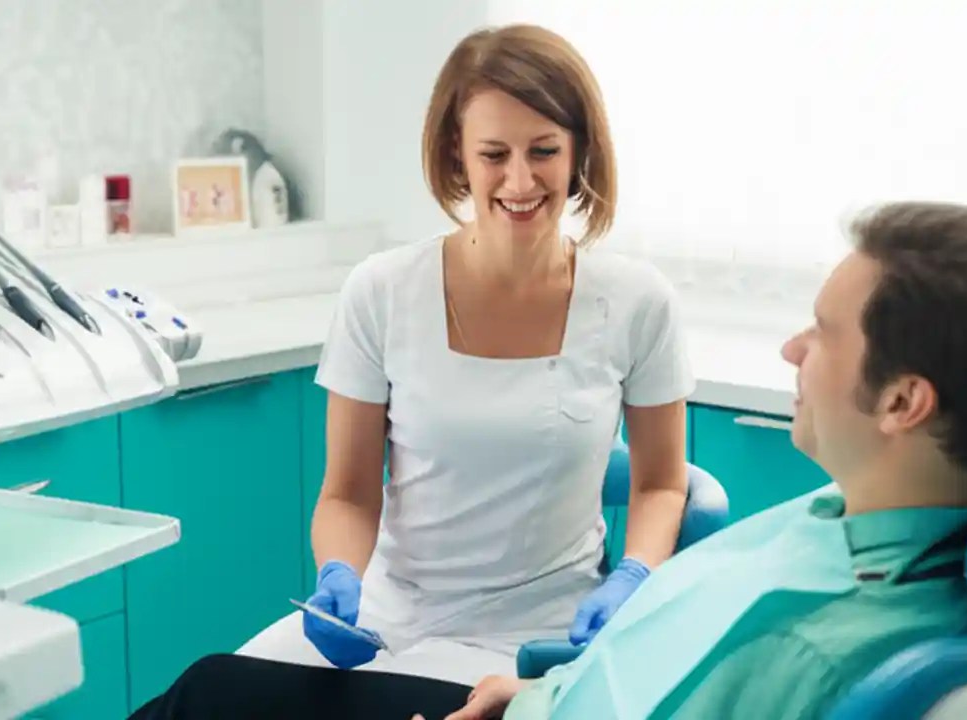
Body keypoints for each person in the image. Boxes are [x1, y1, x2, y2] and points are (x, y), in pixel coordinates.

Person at [126, 200, 967, 719]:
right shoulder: (852, 526)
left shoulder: (812, 637)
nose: (792, 351)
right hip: (525, 692)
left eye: (822, 333)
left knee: (207, 695)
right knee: (210, 689)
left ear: (905, 403)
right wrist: (541, 687)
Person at [234, 23, 695, 685]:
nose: (520, 179)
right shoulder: (382, 291)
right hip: (383, 619)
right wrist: (339, 574)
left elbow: (659, 483)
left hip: (534, 639)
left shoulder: (636, 302)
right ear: (457, 156)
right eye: (493, 154)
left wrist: (634, 574)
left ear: (579, 153)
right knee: (209, 693)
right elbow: (349, 494)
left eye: (544, 150)